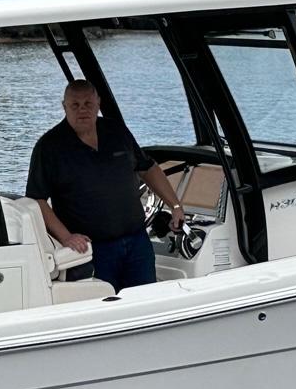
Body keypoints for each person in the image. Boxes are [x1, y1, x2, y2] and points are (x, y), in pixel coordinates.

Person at [25, 79, 182, 292]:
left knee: (145, 301)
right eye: (75, 105)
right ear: (64, 106)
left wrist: (174, 205)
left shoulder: (116, 131)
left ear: (98, 103)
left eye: (88, 103)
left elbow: (147, 168)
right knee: (104, 304)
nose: (82, 110)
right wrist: (66, 237)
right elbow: (37, 200)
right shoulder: (49, 147)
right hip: (91, 250)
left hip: (137, 241)